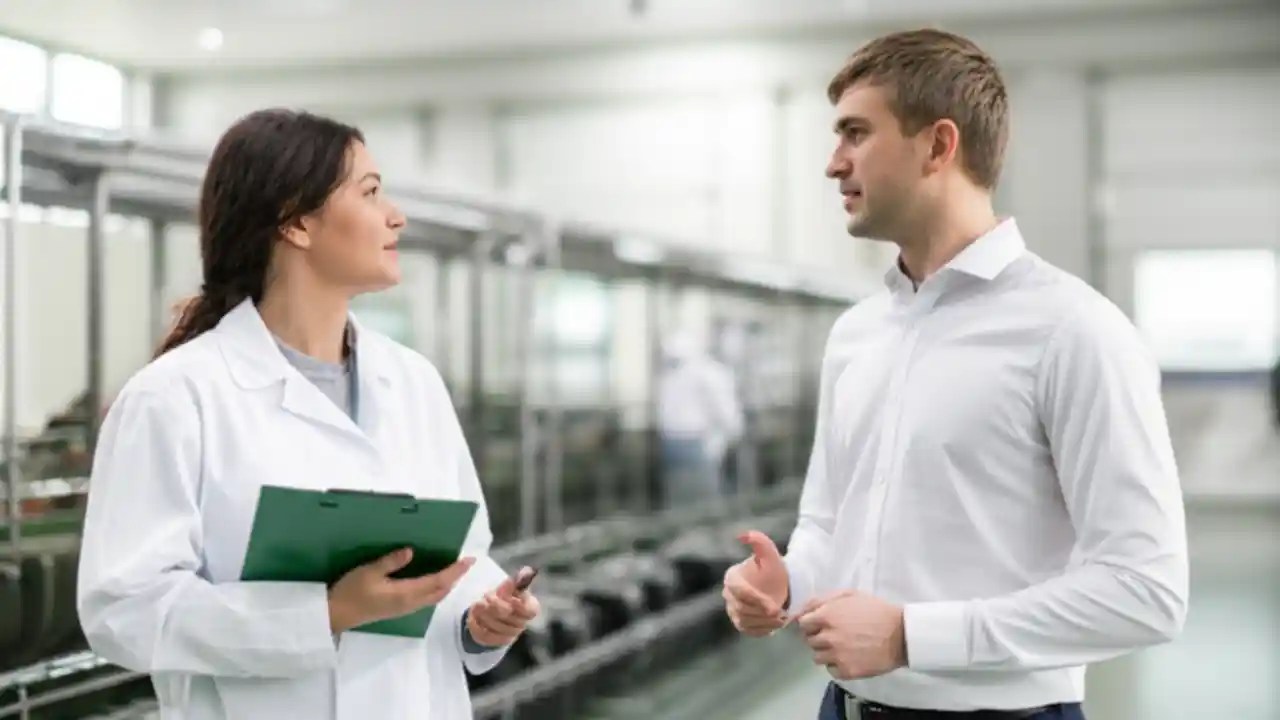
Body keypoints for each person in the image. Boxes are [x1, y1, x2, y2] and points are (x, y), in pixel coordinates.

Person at [721, 29, 1188, 720]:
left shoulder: (1073, 331)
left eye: (856, 134)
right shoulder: (857, 334)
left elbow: (1147, 591)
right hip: (844, 706)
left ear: (939, 145)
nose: (832, 163)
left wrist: (912, 637)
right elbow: (827, 522)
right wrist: (786, 581)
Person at [76, 109, 539, 720]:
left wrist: (481, 618)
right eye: (370, 193)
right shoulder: (175, 397)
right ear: (296, 222)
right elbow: (124, 610)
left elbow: (463, 554)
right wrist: (324, 615)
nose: (395, 216)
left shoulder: (413, 383)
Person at [656, 329, 745, 507]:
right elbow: (726, 412)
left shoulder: (668, 374)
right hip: (697, 442)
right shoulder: (710, 371)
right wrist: (734, 432)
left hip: (670, 443)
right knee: (704, 502)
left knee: (678, 499)